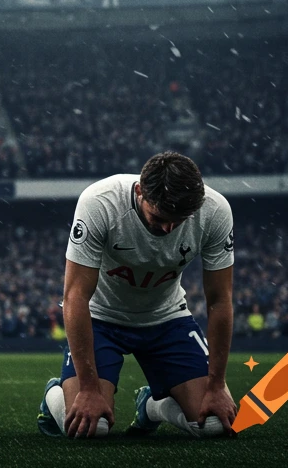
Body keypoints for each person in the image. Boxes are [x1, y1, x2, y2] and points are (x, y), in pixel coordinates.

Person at [37, 151, 237, 439]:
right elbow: (75, 296)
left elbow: (220, 299)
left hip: (167, 317)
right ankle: (53, 395)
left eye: (179, 220)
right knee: (92, 429)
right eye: (160, 217)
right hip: (101, 318)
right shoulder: (100, 202)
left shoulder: (215, 211)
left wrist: (217, 386)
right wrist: (89, 389)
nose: (169, 228)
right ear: (140, 191)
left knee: (215, 425)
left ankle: (151, 407)